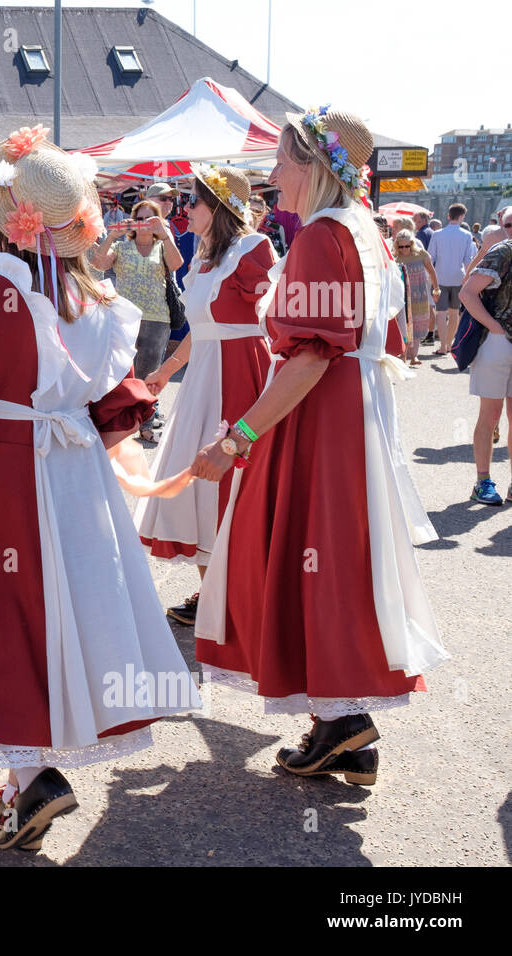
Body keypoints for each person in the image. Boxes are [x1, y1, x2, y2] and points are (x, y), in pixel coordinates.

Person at [0, 129, 199, 852]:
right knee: (69, 612)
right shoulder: (101, 298)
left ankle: (31, 777)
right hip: (73, 469)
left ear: (4, 217)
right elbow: (117, 407)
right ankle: (32, 774)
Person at [191, 107, 446, 787]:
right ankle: (345, 724)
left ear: (310, 167)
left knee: (311, 556)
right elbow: (378, 341)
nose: (272, 177)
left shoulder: (317, 239)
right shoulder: (368, 232)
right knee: (342, 559)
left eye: (280, 162)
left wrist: (239, 436)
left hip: (319, 414)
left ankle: (340, 720)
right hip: (355, 413)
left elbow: (309, 358)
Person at [138, 164, 276, 627]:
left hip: (241, 373)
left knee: (235, 479)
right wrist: (165, 371)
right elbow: (200, 329)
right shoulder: (202, 254)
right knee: (197, 481)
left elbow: (271, 318)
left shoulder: (254, 248)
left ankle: (241, 597)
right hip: (204, 379)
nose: (184, 209)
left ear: (216, 208)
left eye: (192, 202)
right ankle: (213, 593)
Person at [90, 199, 185, 442]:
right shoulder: (122, 247)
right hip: (124, 319)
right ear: (132, 222)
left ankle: (147, 423)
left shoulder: (163, 247)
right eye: (139, 219)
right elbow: (98, 263)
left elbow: (177, 264)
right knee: (122, 371)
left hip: (157, 318)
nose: (144, 224)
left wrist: (164, 235)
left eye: (150, 219)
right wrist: (111, 236)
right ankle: (118, 422)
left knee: (150, 374)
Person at [459, 216, 512, 505]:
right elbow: (468, 292)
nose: (510, 229)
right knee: (490, 417)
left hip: (502, 340)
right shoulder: (503, 251)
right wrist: (494, 326)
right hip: (499, 343)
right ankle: (482, 481)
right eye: (508, 224)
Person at [429, 203, 476, 355]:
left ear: (448, 215)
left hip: (440, 277)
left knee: (441, 313)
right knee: (454, 313)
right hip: (459, 277)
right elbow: (468, 260)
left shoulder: (437, 234)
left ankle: (442, 346)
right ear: (462, 216)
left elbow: (431, 258)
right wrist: (467, 278)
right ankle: (449, 344)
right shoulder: (467, 235)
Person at [394, 228, 439, 366]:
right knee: (404, 323)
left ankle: (414, 356)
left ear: (412, 243)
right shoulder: (395, 257)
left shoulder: (421, 254)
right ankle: (404, 354)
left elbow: (431, 272)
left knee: (418, 324)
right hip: (402, 295)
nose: (404, 249)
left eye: (407, 246)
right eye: (401, 246)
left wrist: (436, 289)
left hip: (419, 294)